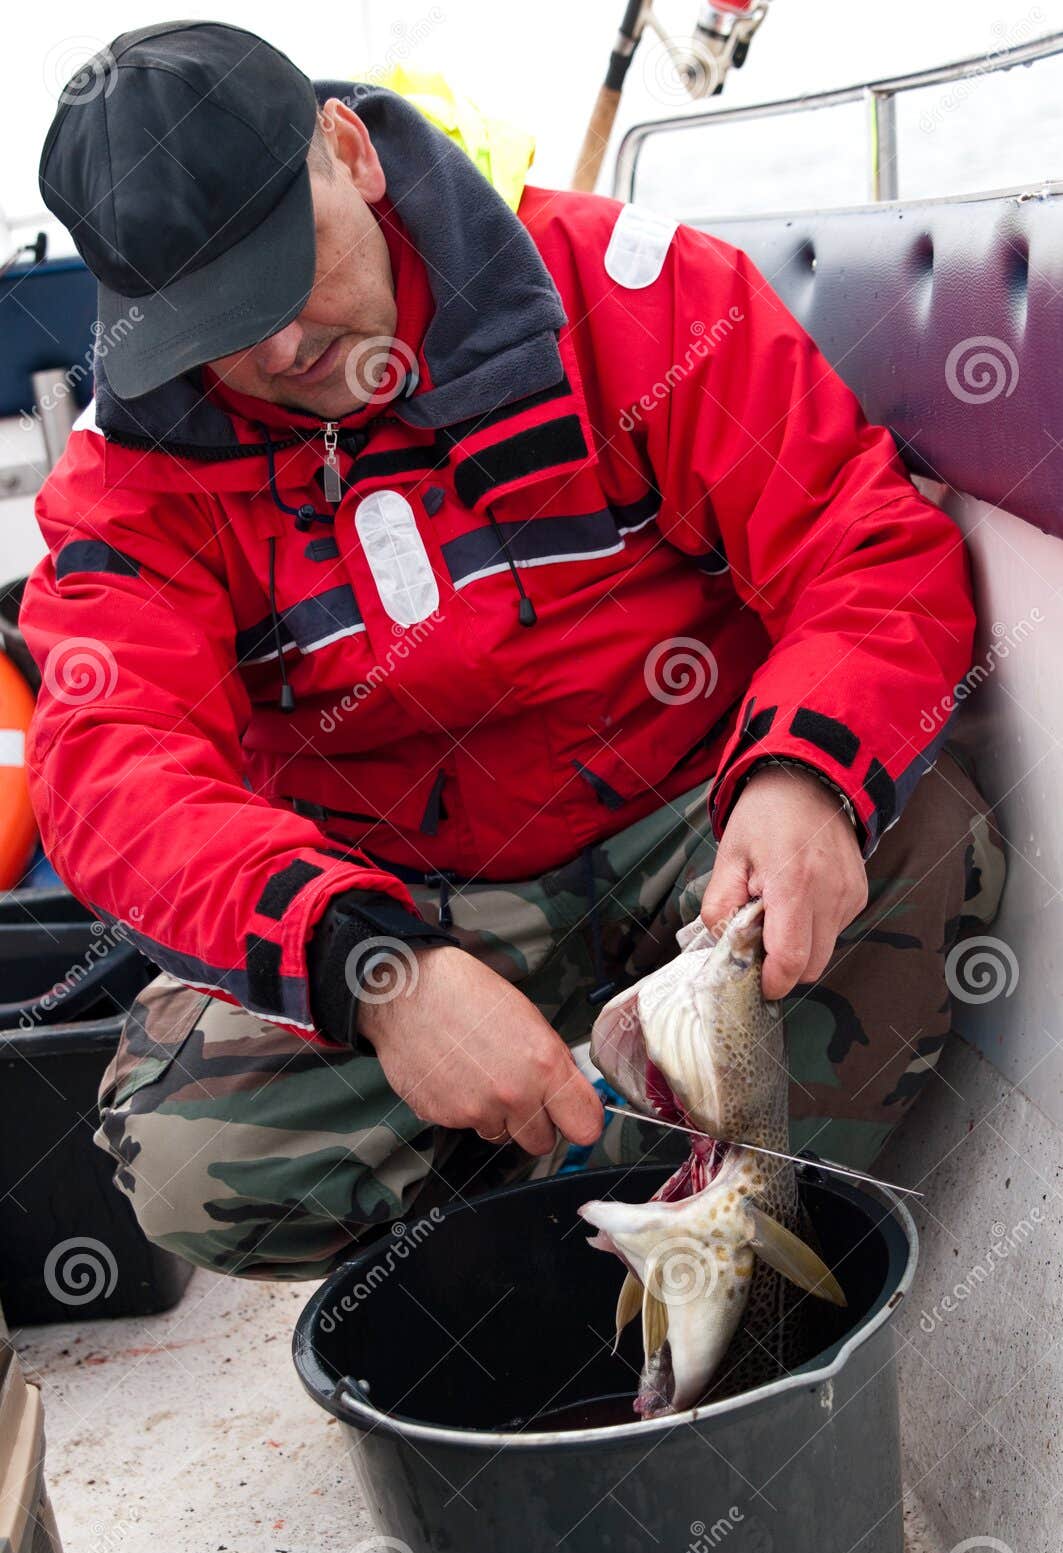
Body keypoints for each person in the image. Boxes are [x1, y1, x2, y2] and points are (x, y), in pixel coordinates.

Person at [21, 21, 1003, 1280]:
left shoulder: (635, 293)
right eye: (207, 320)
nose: (272, 350)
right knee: (190, 1159)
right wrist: (375, 969)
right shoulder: (130, 484)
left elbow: (858, 544)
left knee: (931, 849)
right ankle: (604, 1215)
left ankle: (672, 1206)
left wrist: (800, 775)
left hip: (690, 836)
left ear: (350, 151)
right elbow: (113, 772)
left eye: (279, 271)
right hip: (400, 893)